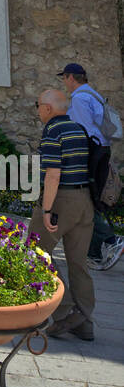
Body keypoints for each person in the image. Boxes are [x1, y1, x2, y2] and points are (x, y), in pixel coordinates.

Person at [30, 88, 95, 341]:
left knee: (35, 251)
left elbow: (53, 174)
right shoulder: (78, 129)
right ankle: (85, 320)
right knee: (79, 263)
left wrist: (46, 210)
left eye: (37, 105)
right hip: (84, 201)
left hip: (61, 200)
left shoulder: (53, 131)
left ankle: (66, 310)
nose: (37, 110)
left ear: (47, 108)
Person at [58, 62, 124, 272]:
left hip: (91, 152)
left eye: (64, 78)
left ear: (70, 77)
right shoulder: (92, 94)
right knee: (88, 199)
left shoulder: (79, 98)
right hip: (100, 151)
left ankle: (110, 240)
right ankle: (95, 252)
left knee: (84, 198)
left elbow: (82, 131)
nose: (64, 83)